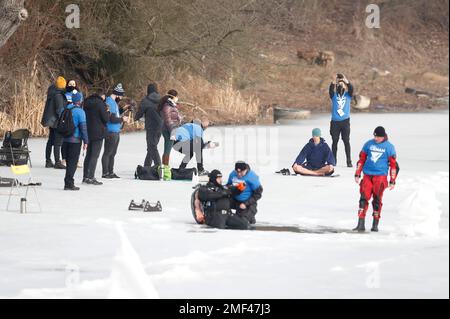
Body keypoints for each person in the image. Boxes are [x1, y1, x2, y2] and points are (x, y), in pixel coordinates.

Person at [353, 126, 398, 232]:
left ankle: (375, 224)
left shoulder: (389, 147)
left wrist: (392, 180)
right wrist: (357, 173)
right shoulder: (368, 144)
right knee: (363, 199)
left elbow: (393, 165)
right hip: (367, 175)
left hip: (380, 177)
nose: (376, 138)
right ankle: (361, 224)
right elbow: (361, 159)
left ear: (383, 136)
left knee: (377, 200)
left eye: (378, 137)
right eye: (375, 136)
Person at [101, 83, 129, 179]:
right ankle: (105, 173)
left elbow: (116, 114)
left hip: (116, 131)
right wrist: (123, 119)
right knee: (108, 152)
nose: (121, 98)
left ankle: (110, 171)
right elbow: (111, 119)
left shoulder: (114, 103)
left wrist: (124, 109)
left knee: (113, 153)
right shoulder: (109, 102)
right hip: (110, 131)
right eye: (120, 95)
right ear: (117, 94)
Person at [83, 89, 109, 185]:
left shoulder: (86, 102)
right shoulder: (100, 104)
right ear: (102, 96)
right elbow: (105, 119)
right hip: (98, 132)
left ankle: (85, 176)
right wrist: (107, 111)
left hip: (88, 131)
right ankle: (91, 177)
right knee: (95, 155)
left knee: (88, 155)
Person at [63, 92, 89, 191]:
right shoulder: (80, 112)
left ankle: (67, 182)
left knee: (69, 162)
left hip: (65, 139)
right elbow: (83, 128)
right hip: (75, 140)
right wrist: (86, 141)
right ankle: (69, 183)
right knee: (73, 163)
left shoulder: (66, 109)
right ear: (80, 100)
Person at [41, 76, 67, 169]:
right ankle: (57, 162)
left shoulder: (52, 92)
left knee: (50, 141)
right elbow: (60, 110)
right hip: (56, 121)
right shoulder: (58, 95)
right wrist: (64, 119)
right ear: (62, 86)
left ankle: (48, 161)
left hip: (50, 121)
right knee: (57, 142)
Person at [135, 83, 162, 167]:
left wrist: (136, 118)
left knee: (152, 147)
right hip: (161, 126)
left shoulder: (146, 100)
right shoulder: (161, 99)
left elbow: (140, 113)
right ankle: (147, 166)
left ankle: (158, 165)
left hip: (151, 127)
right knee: (151, 147)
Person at [329, 73, 354, 167]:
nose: (340, 85)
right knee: (335, 141)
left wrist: (345, 80)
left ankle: (349, 161)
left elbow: (351, 88)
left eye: (342, 84)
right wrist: (334, 80)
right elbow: (330, 89)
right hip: (335, 122)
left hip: (345, 122)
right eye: (339, 84)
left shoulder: (348, 95)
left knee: (346, 141)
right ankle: (333, 160)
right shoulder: (334, 96)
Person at [158, 89, 181, 167]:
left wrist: (179, 119)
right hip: (168, 130)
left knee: (168, 148)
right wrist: (172, 132)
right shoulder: (167, 106)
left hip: (172, 129)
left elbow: (174, 117)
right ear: (173, 97)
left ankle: (165, 166)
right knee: (167, 149)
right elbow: (168, 120)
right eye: (177, 96)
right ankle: (165, 167)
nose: (177, 98)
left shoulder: (172, 104)